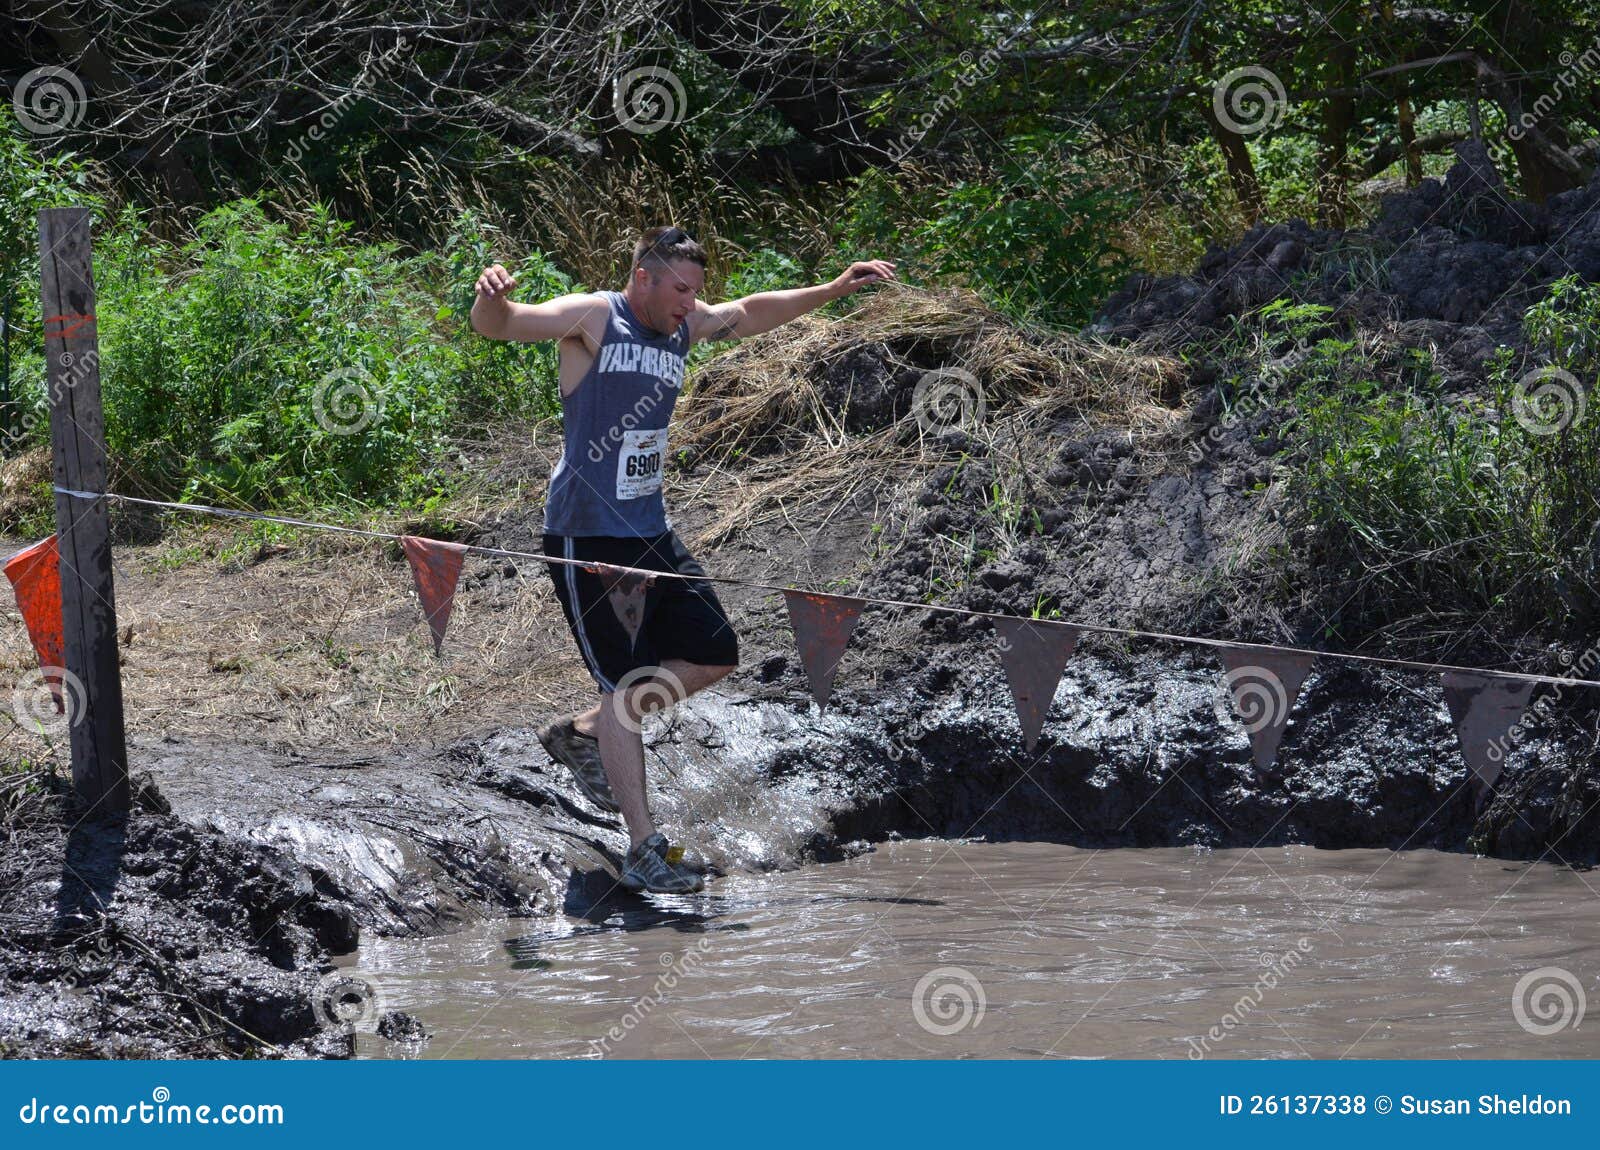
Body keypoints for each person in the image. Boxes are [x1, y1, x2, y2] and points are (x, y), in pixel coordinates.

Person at [470, 226, 896, 892]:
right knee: (620, 687)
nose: (691, 303)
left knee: (714, 652)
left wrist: (835, 288)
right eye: (680, 289)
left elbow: (754, 311)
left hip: (650, 529)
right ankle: (643, 848)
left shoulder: (682, 327)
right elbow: (505, 325)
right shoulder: (592, 317)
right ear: (643, 276)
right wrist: (490, 298)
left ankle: (587, 731)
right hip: (589, 538)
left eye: (697, 292)